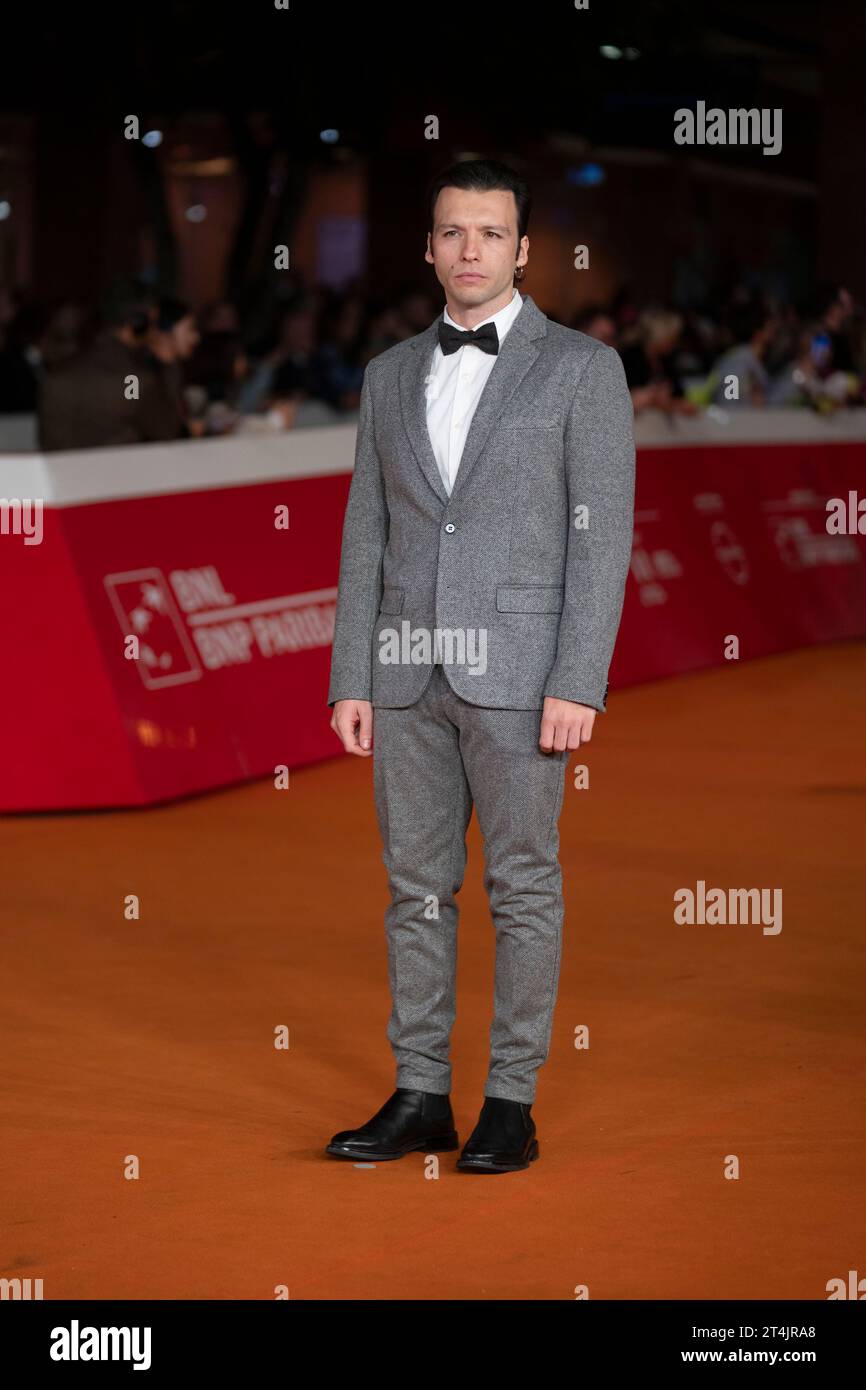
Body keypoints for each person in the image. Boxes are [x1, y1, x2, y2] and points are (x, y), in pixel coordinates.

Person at [325, 158, 635, 1174]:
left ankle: (511, 1099)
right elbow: (363, 528)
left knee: (521, 886)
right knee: (413, 887)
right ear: (427, 247)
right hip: (407, 669)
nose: (468, 251)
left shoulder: (583, 371)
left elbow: (600, 538)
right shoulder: (385, 375)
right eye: (451, 233)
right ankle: (421, 1090)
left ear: (521, 250)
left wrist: (578, 679)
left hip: (520, 673)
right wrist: (351, 674)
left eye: (488, 234)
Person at [37, 280, 187, 451]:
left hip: (61, 474)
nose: (154, 331)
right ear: (139, 323)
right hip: (117, 474)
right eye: (153, 322)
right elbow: (168, 431)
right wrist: (169, 367)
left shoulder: (60, 369)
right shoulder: (133, 380)